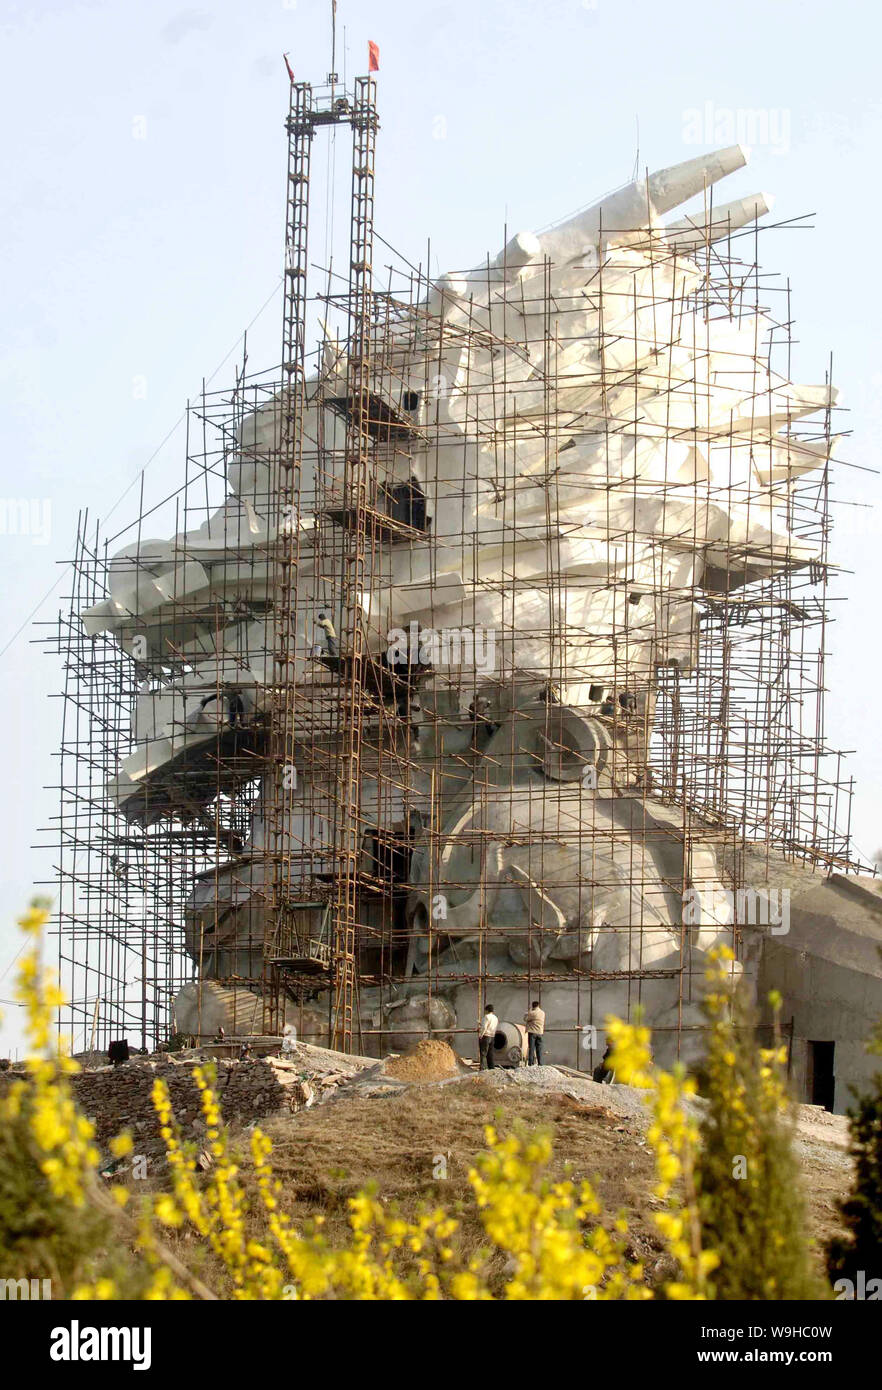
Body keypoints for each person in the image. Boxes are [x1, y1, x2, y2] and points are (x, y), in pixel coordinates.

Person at [524, 1000, 545, 1065]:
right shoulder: (543, 1013)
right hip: (540, 1032)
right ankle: (540, 1063)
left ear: (532, 1006)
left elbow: (525, 1019)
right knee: (539, 1049)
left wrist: (528, 1012)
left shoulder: (532, 1013)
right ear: (538, 1005)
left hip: (532, 1032)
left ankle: (531, 1063)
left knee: (532, 1048)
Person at [478, 1002, 498, 1069]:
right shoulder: (495, 1018)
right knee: (490, 1054)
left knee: (483, 1053)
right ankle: (491, 1068)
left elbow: (484, 1027)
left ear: (487, 1010)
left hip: (486, 1036)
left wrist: (481, 1035)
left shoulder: (486, 1017)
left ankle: (482, 1068)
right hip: (492, 1036)